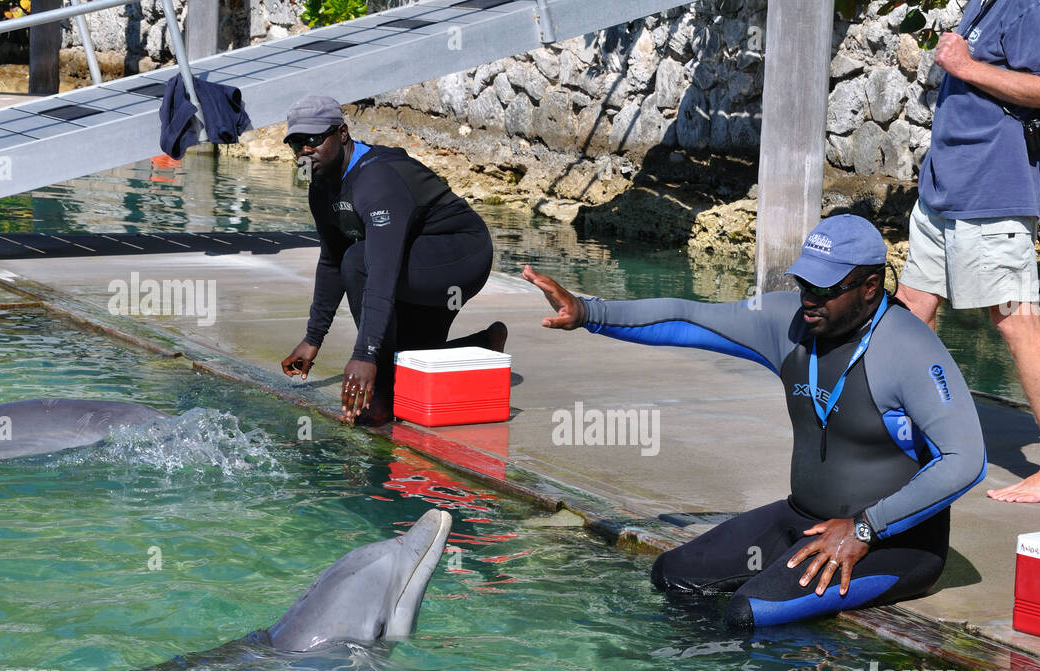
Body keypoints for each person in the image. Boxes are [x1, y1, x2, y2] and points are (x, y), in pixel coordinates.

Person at [524, 215, 987, 627]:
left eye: (825, 289)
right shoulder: (790, 321)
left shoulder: (909, 347)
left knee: (748, 613)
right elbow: (689, 317)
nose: (809, 299)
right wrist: (589, 312)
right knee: (673, 576)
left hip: (893, 544)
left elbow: (966, 461)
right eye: (805, 283)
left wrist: (866, 527)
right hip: (801, 519)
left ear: (869, 286)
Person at [895, 0, 1040, 504]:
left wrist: (964, 66)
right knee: (911, 308)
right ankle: (919, 438)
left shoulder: (1035, 5)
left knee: (1014, 317)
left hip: (993, 191)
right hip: (944, 187)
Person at [278, 95, 505, 426]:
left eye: (313, 140)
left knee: (359, 261)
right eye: (296, 144)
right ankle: (485, 344)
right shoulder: (320, 185)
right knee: (407, 361)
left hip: (459, 257)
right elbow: (330, 260)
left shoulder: (376, 180)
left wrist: (365, 355)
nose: (304, 151)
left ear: (342, 133)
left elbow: (379, 270)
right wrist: (313, 338)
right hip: (413, 256)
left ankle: (380, 402)